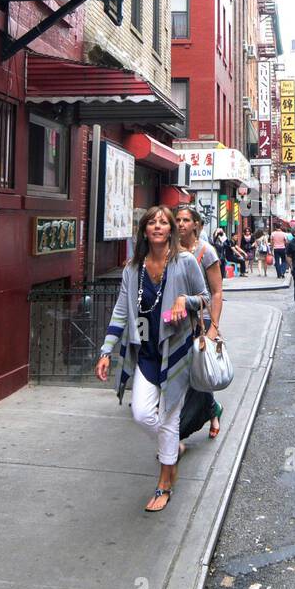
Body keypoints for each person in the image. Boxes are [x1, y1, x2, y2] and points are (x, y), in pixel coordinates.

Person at [97, 207, 210, 511]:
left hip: (175, 352)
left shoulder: (184, 262)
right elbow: (121, 311)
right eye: (152, 222)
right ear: (144, 230)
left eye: (163, 222)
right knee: (142, 413)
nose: (158, 226)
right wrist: (107, 350)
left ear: (171, 229)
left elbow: (206, 298)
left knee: (170, 416)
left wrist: (186, 301)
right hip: (145, 352)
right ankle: (172, 448)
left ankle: (165, 482)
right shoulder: (133, 269)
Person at [175, 205, 224, 441]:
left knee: (198, 374)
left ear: (196, 224)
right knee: (188, 375)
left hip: (200, 321)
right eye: (178, 219)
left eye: (186, 220)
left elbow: (216, 292)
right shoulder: (170, 250)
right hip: (176, 321)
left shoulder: (206, 252)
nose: (181, 224)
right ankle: (213, 410)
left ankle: (179, 431)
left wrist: (213, 326)